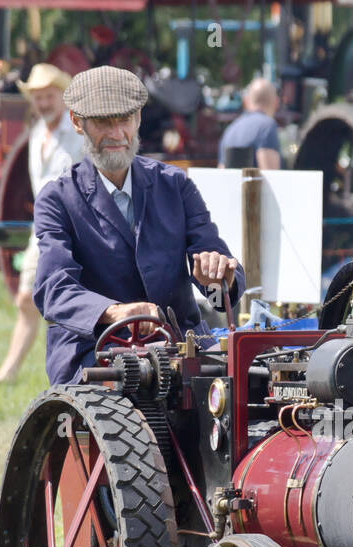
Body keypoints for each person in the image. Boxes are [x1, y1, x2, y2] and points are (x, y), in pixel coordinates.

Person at [34, 66, 243, 386]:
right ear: (77, 122)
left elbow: (218, 286)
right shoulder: (58, 198)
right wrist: (115, 313)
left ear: (139, 119)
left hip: (181, 346)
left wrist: (218, 278)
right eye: (104, 122)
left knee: (247, 386)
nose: (117, 133)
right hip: (96, 350)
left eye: (125, 119)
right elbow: (53, 289)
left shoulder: (176, 185)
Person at [0, 64, 85, 383]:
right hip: (42, 228)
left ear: (63, 96)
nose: (43, 103)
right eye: (38, 97)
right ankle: (9, 371)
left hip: (74, 230)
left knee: (61, 301)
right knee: (27, 298)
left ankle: (68, 368)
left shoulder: (79, 134)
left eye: (48, 96)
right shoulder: (36, 134)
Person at [217, 77, 281, 169]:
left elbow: (221, 171)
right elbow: (270, 173)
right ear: (276, 103)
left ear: (245, 101)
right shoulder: (267, 126)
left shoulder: (230, 129)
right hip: (252, 184)